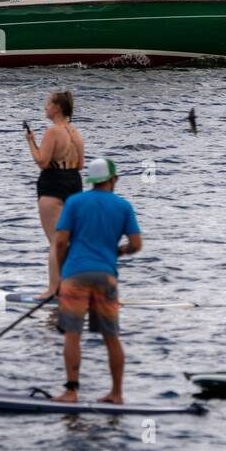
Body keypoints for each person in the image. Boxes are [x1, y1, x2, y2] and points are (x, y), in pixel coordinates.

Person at [51, 157, 141, 404]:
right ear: (112, 180)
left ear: (92, 180)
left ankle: (71, 391)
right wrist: (118, 252)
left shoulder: (75, 202)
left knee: (72, 334)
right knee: (111, 337)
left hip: (75, 275)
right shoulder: (123, 206)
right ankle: (117, 393)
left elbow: (60, 242)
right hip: (106, 276)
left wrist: (61, 275)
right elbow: (136, 245)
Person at [26, 91, 86, 299]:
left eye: (48, 104)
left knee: (55, 240)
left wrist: (31, 142)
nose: (45, 108)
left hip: (53, 183)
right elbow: (81, 164)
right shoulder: (75, 132)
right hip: (74, 183)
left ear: (57, 108)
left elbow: (42, 161)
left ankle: (53, 289)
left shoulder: (53, 132)